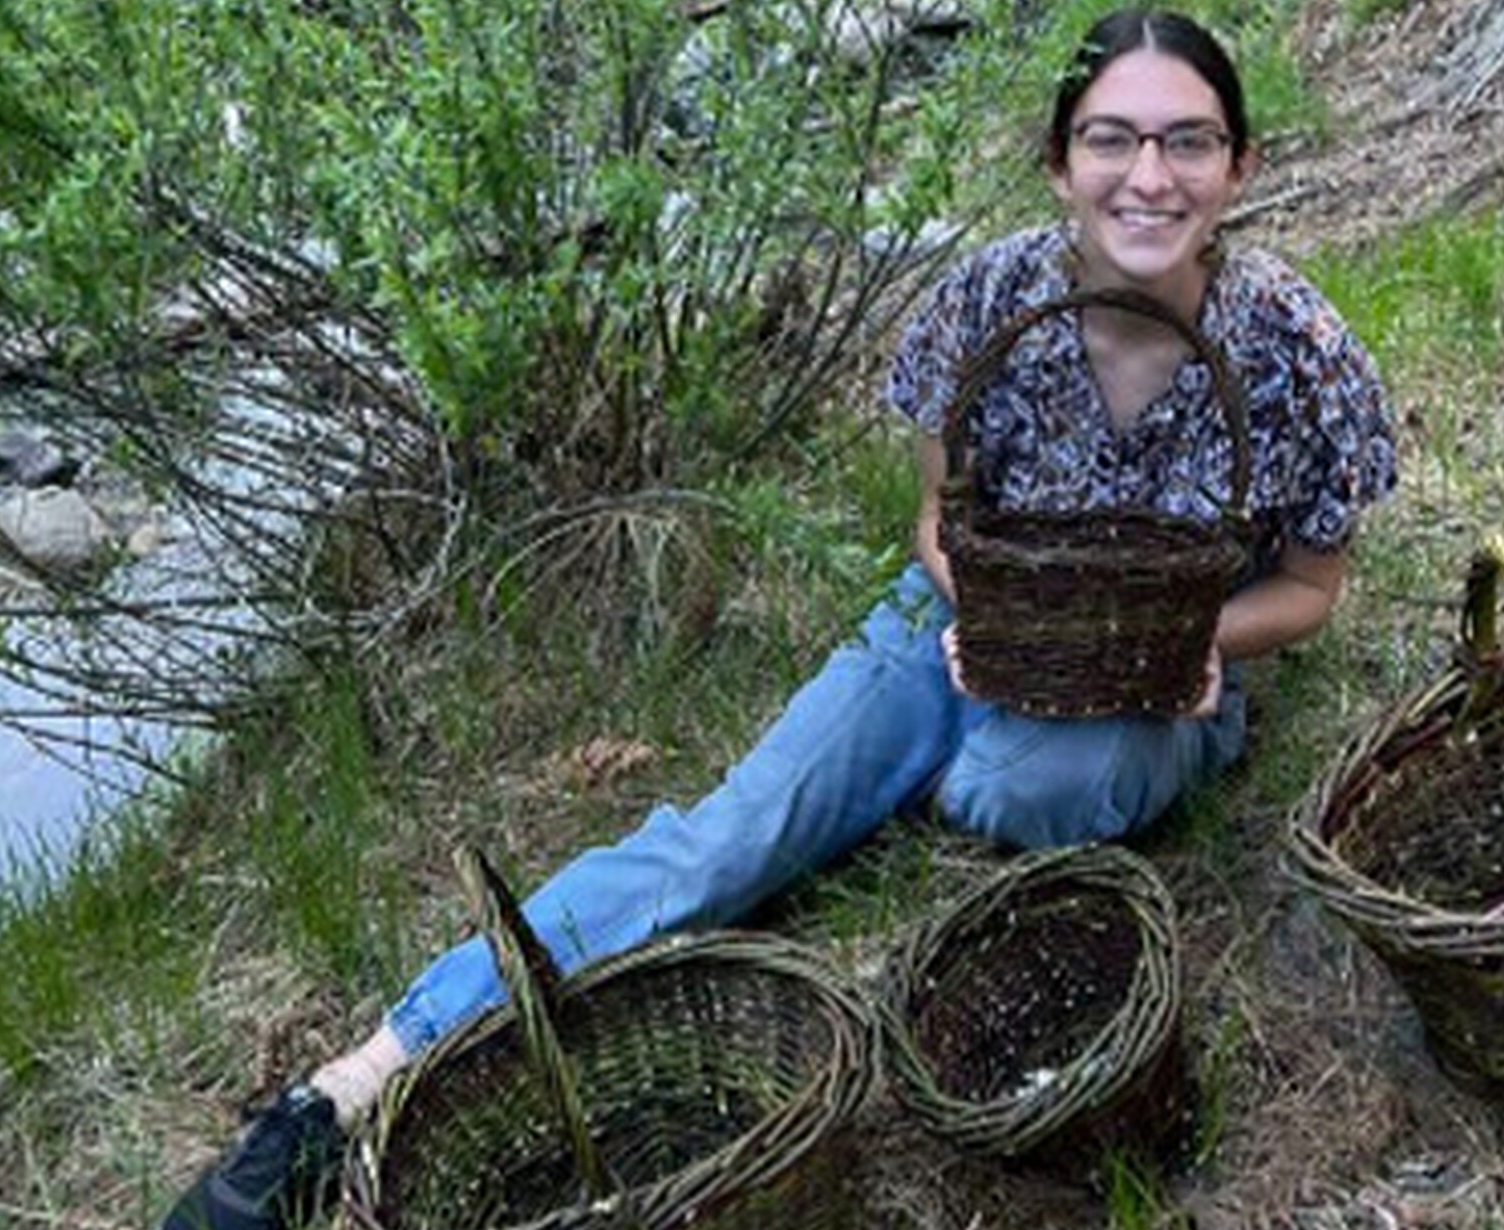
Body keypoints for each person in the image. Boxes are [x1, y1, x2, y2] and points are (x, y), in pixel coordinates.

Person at [160, 8, 1396, 1228]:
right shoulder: (984, 303)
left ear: (1240, 166)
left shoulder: (1299, 347)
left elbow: (1310, 588)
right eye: (1109, 139)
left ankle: (960, 766)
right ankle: (356, 1083)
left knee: (1023, 794)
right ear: (1058, 161)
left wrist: (1190, 647)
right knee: (730, 843)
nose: (1147, 177)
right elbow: (933, 520)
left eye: (1187, 143)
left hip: (1155, 670)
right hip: (956, 624)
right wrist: (993, 611)